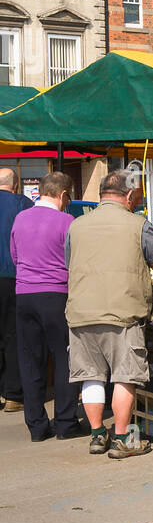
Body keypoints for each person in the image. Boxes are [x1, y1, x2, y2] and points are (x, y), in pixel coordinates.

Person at [65, 170, 153, 459]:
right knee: (125, 375)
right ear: (129, 195)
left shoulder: (77, 225)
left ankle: (98, 436)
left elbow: (68, 262)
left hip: (81, 311)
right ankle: (122, 437)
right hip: (123, 312)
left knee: (91, 375)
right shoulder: (138, 224)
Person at [9, 171, 84, 442]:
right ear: (63, 194)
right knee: (64, 357)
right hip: (56, 294)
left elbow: (15, 256)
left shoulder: (20, 218)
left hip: (25, 294)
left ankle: (37, 426)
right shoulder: (67, 222)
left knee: (30, 359)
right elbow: (74, 261)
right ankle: (65, 422)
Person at [0, 167, 33, 413]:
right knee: (13, 334)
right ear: (16, 184)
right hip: (14, 276)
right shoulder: (23, 203)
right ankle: (13, 395)